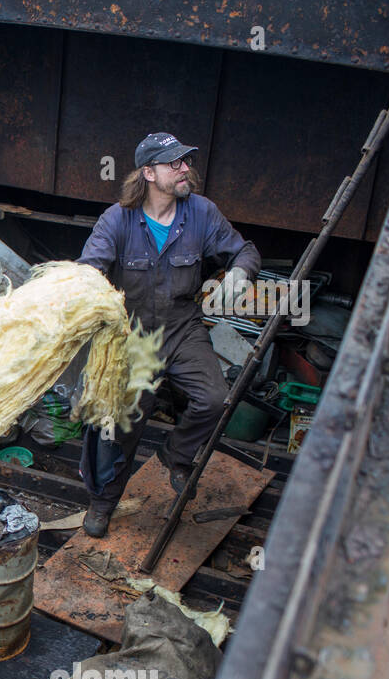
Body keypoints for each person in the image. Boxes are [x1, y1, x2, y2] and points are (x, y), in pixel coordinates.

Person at [75, 132, 260, 537]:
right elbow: (89, 271)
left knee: (215, 398)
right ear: (148, 172)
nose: (184, 169)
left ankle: (176, 454)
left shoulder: (202, 213)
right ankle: (103, 503)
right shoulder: (118, 219)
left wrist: (241, 272)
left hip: (182, 327)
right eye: (174, 163)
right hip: (132, 335)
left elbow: (243, 249)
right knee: (117, 428)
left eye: (186, 162)